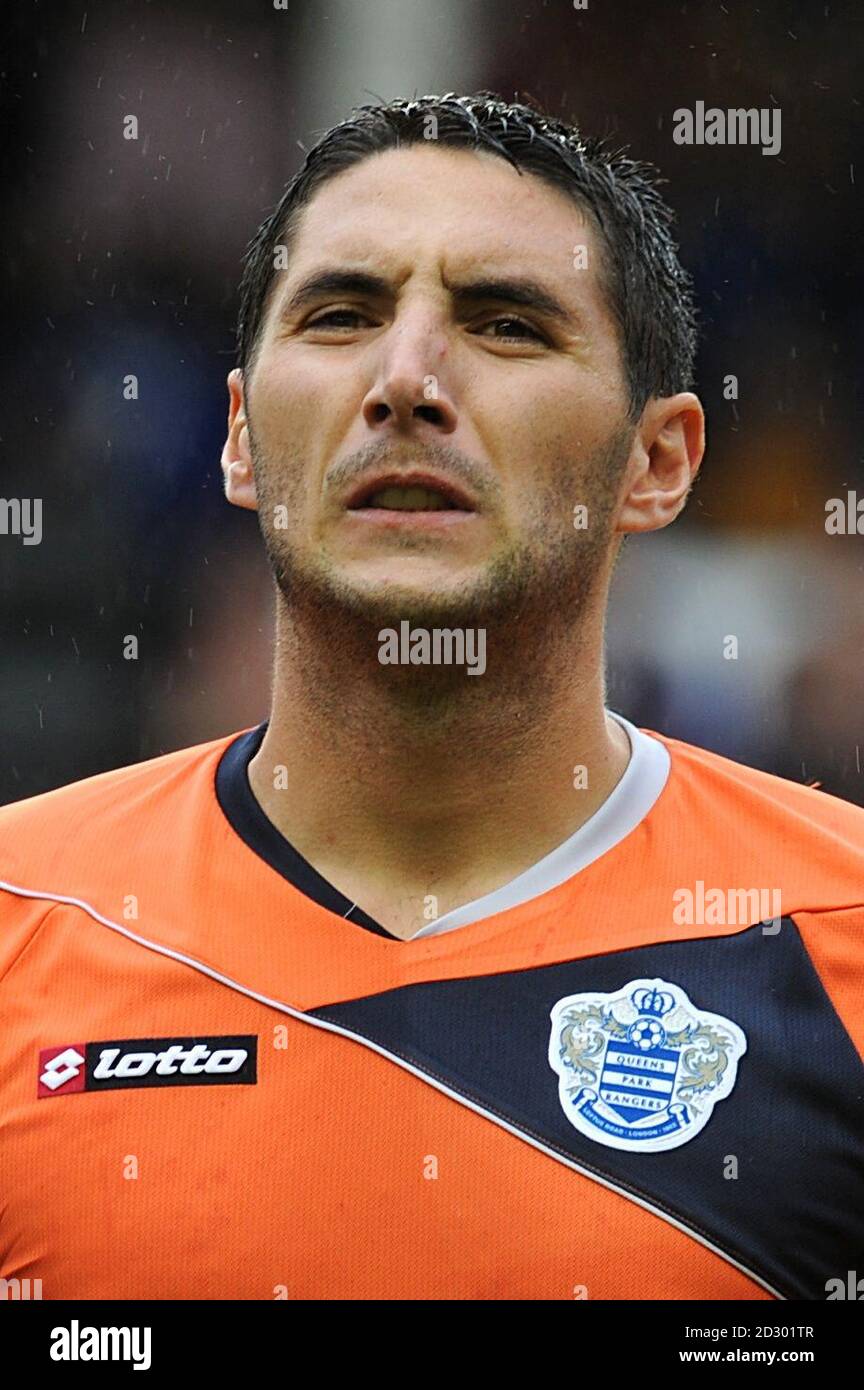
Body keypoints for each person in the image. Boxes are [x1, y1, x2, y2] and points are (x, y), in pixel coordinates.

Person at [1, 92, 861, 1302]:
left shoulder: (840, 930)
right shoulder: (19, 917)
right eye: (342, 314)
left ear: (655, 461)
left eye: (506, 324)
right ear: (240, 438)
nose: (406, 379)